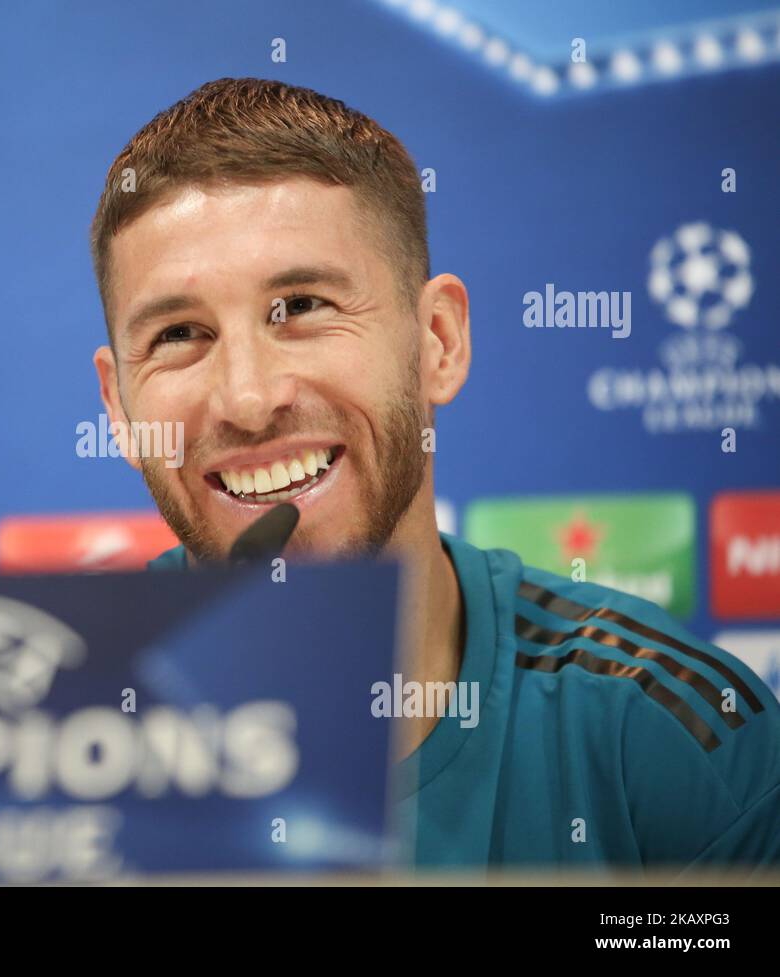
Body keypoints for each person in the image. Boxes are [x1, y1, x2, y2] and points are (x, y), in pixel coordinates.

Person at [87, 77, 779, 873]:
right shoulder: (20, 748)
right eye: (179, 332)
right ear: (118, 404)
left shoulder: (672, 731)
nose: (247, 398)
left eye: (303, 305)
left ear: (438, 343)